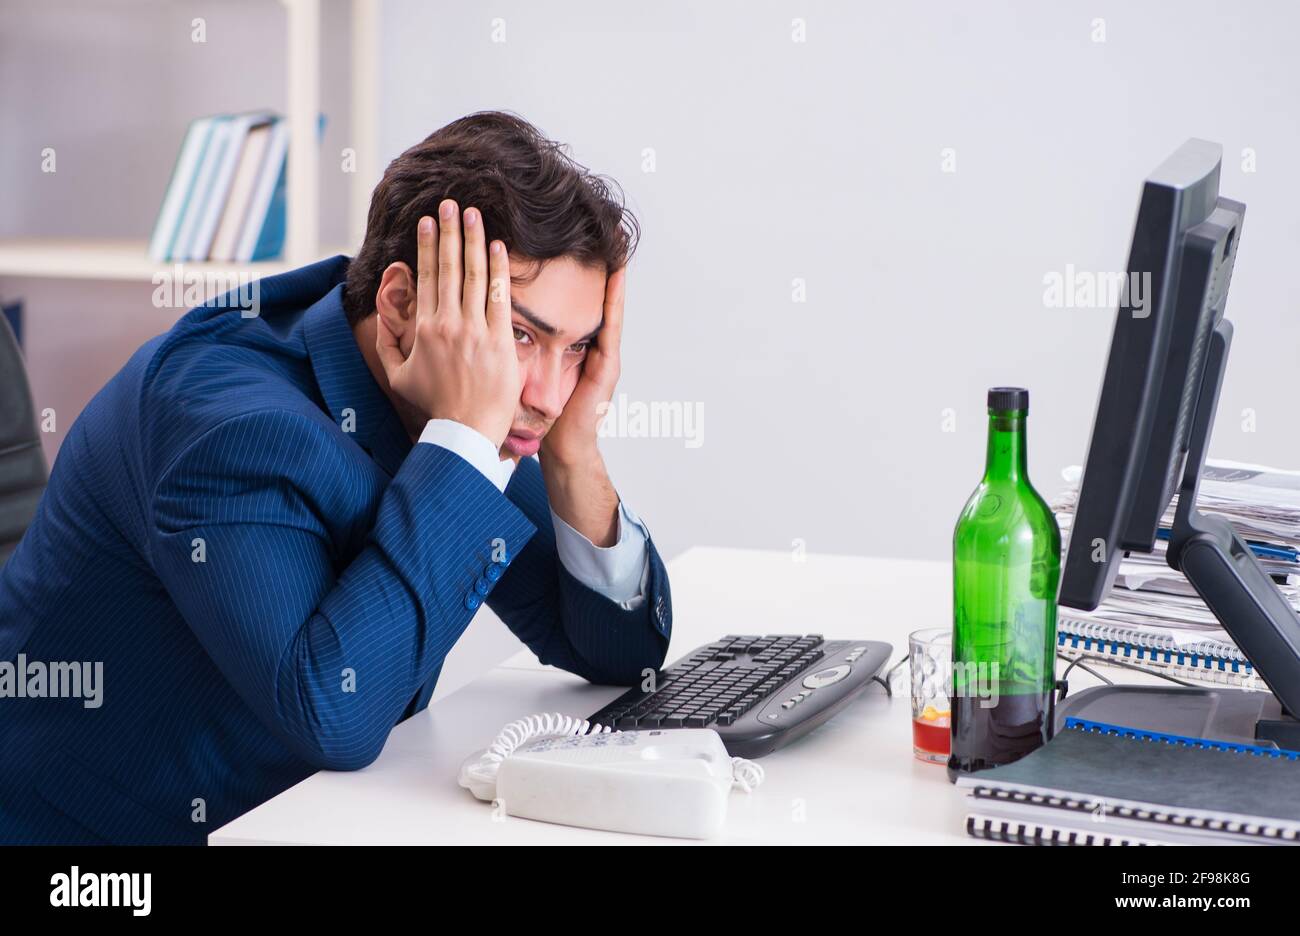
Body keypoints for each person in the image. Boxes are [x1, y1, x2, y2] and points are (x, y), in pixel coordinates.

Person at [0, 111, 671, 844]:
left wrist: (575, 455)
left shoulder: (454, 398)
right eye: (519, 334)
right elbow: (335, 718)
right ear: (401, 303)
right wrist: (466, 440)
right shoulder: (231, 428)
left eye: (576, 348)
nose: (546, 392)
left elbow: (619, 653)